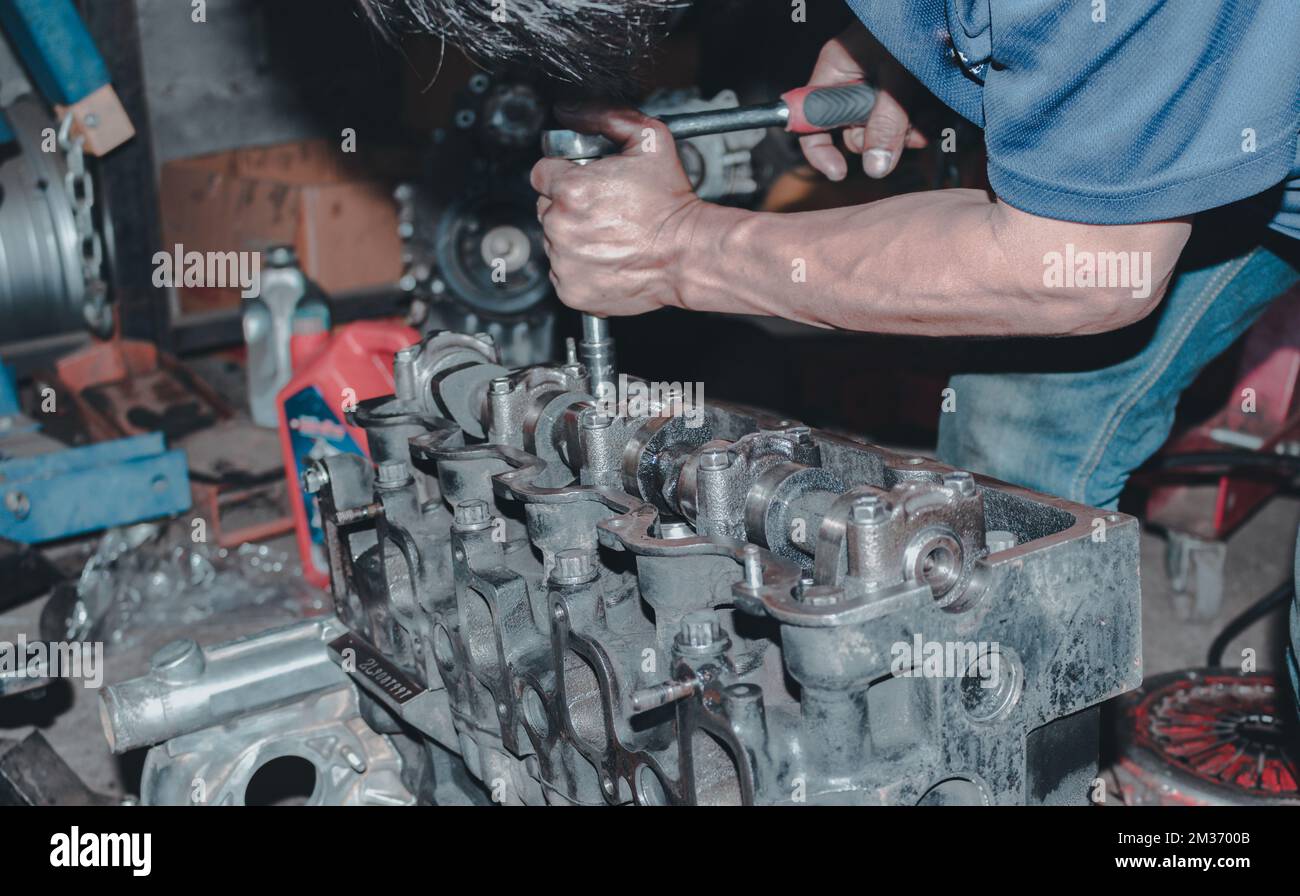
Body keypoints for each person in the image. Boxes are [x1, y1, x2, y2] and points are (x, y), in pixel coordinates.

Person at [367, 1, 1300, 509]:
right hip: (1239, 112)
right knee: (1017, 431)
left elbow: (1086, 264)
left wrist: (676, 250)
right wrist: (918, 34)